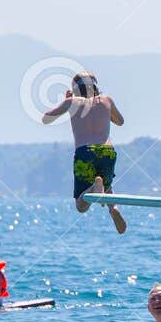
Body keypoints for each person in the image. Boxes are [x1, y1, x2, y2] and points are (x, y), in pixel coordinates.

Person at [43, 70, 127, 234]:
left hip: (85, 152)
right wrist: (103, 112)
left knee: (81, 206)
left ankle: (92, 190)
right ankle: (113, 208)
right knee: (106, 185)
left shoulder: (72, 101)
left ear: (75, 88)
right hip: (107, 151)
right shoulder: (106, 100)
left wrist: (67, 101)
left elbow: (46, 118)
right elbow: (120, 122)